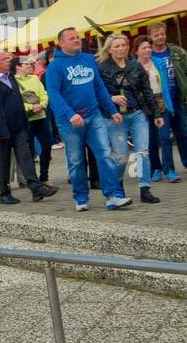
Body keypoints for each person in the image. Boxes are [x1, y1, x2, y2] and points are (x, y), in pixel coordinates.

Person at [44, 27, 129, 212]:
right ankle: (81, 197)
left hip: (94, 116)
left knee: (105, 154)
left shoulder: (89, 59)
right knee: (76, 160)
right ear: (62, 43)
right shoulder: (55, 67)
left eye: (77, 37)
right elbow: (54, 95)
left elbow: (99, 87)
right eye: (72, 38)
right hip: (70, 122)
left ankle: (113, 195)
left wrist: (112, 110)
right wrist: (70, 114)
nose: (77, 40)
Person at [0, 49, 59, 204]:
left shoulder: (11, 78)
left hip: (19, 126)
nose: (10, 60)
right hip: (1, 129)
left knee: (26, 157)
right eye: (5, 58)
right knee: (4, 161)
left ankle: (36, 188)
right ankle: (4, 193)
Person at [98, 33, 162, 204]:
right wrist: (112, 98)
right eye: (117, 46)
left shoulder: (135, 66)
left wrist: (156, 113)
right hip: (115, 116)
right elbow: (99, 92)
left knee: (142, 152)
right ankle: (117, 187)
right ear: (109, 49)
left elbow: (147, 91)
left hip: (137, 113)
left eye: (123, 45)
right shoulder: (102, 68)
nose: (121, 49)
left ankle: (145, 188)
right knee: (121, 156)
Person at [136, 36, 180, 182]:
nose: (148, 50)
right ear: (136, 51)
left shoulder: (159, 63)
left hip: (161, 103)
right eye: (144, 48)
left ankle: (170, 170)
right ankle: (156, 168)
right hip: (143, 106)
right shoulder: (133, 66)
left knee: (165, 138)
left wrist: (170, 104)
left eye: (149, 47)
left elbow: (166, 85)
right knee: (150, 140)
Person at [147, 21, 187, 175]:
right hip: (160, 101)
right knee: (164, 137)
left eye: (162, 34)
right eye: (156, 35)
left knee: (183, 131)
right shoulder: (149, 55)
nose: (160, 37)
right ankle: (168, 169)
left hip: (178, 97)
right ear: (150, 37)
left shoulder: (177, 51)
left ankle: (185, 161)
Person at [14, 55, 53, 184]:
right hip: (26, 120)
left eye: (31, 64)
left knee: (47, 146)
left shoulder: (35, 78)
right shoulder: (13, 82)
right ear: (18, 67)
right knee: (29, 151)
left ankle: (44, 176)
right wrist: (31, 107)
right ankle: (33, 180)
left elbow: (44, 94)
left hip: (41, 117)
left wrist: (42, 105)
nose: (30, 66)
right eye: (26, 64)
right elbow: (16, 102)